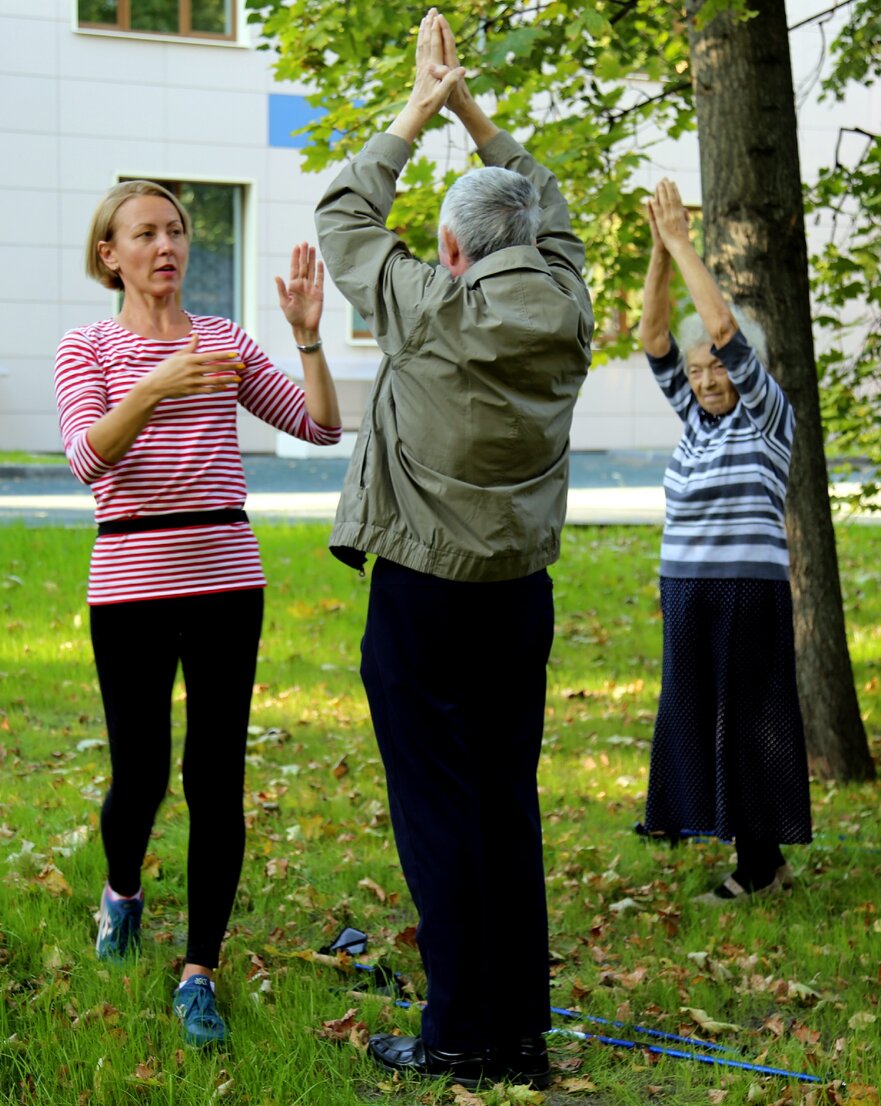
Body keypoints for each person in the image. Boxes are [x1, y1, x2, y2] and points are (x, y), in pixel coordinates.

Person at [314, 9, 593, 1091]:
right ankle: (517, 1028)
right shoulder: (569, 306)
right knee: (505, 804)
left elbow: (345, 208)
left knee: (439, 811)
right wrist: (474, 112)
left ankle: (460, 1034)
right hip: (521, 597)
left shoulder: (426, 307)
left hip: (427, 595)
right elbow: (547, 201)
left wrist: (421, 105)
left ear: (450, 249)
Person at [54, 179, 341, 1046]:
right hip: (132, 583)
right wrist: (154, 385)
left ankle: (199, 973)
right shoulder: (89, 346)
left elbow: (322, 427)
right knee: (138, 775)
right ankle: (123, 894)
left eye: (176, 231)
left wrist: (308, 339)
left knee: (216, 779)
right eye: (144, 233)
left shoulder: (222, 342)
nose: (166, 245)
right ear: (111, 254)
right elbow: (85, 458)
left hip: (226, 578)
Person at [636, 178, 812, 902]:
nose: (706, 376)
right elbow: (652, 339)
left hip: (746, 591)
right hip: (688, 588)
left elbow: (729, 335)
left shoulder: (764, 415)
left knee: (749, 722)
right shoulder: (697, 418)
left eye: (716, 366)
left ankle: (762, 867)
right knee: (694, 713)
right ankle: (706, 833)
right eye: (698, 367)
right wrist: (655, 253)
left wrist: (683, 244)